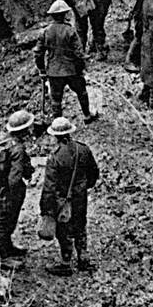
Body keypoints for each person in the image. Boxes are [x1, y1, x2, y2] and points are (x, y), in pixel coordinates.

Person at [39, 117, 100, 275]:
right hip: (80, 197)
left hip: (62, 199)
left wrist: (46, 208)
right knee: (80, 224)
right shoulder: (83, 149)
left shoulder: (55, 157)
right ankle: (83, 259)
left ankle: (65, 263)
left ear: (55, 136)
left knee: (63, 229)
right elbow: (94, 172)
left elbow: (49, 187)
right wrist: (84, 187)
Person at [0, 110, 34, 268]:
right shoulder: (18, 150)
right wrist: (13, 196)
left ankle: (8, 248)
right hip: (9, 192)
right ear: (23, 131)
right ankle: (1, 258)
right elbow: (14, 178)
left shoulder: (7, 143)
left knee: (9, 222)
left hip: (3, 190)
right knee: (4, 224)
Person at [35, 0, 93, 121]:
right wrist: (81, 68)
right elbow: (79, 53)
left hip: (53, 72)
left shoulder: (45, 32)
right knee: (82, 92)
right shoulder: (70, 30)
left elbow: (38, 53)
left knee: (56, 100)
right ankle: (87, 115)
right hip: (71, 71)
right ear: (65, 14)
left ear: (52, 15)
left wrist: (42, 70)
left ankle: (58, 125)